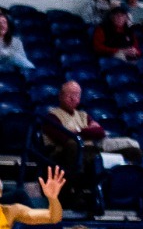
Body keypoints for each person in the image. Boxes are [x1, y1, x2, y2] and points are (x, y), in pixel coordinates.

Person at [39, 83, 103, 211]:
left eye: (77, 95)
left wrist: (77, 131)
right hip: (61, 155)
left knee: (130, 148)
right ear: (61, 96)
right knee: (74, 145)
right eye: (70, 95)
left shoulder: (83, 115)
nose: (73, 98)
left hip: (88, 152)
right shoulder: (52, 116)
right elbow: (63, 137)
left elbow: (100, 132)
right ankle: (77, 191)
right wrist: (87, 132)